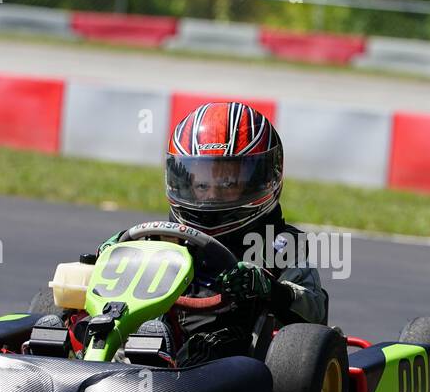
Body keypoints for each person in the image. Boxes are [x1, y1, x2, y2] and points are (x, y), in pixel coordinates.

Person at [96, 101, 328, 364]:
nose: (211, 195)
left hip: (232, 364)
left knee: (203, 348)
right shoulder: (166, 238)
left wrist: (268, 289)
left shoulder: (278, 245)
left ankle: (159, 375)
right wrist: (113, 255)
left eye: (227, 183)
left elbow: (315, 311)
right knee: (84, 326)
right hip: (154, 340)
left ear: (262, 180)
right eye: (203, 184)